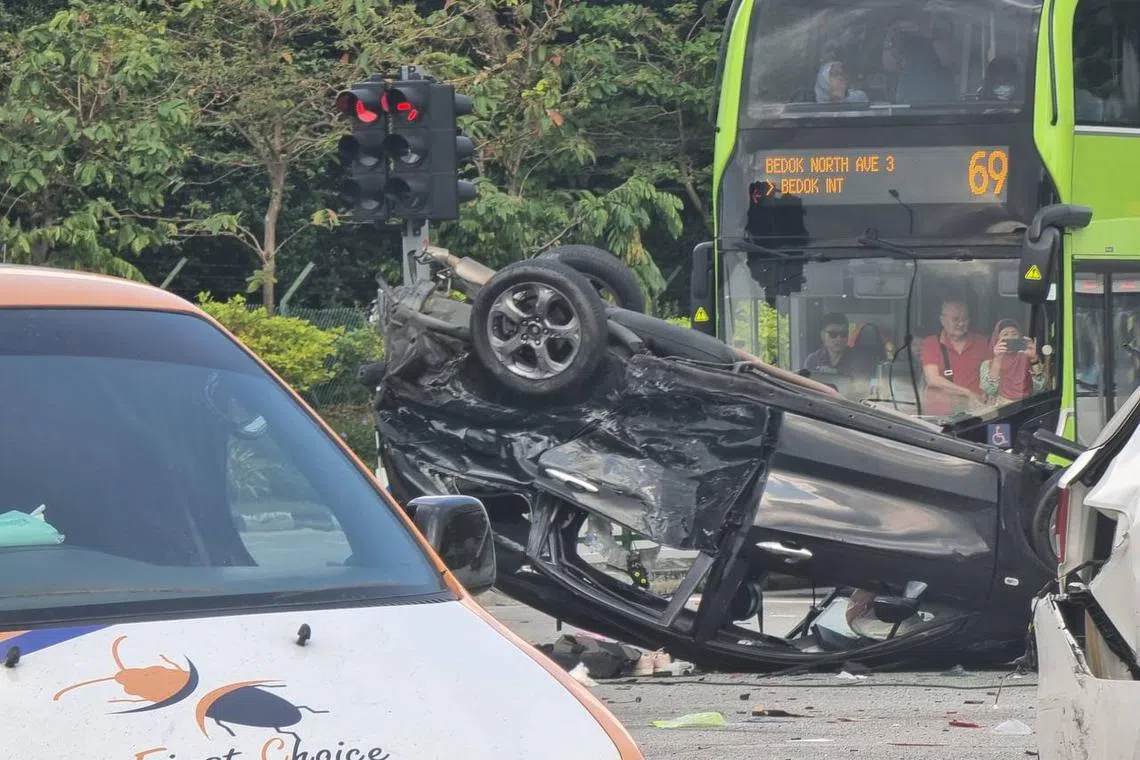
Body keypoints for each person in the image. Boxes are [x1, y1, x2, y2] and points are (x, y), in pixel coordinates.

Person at [919, 299, 990, 416]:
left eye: (965, 319)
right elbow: (933, 379)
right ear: (942, 320)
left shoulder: (982, 342)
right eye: (955, 319)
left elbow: (994, 373)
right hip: (940, 417)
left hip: (976, 413)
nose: (961, 324)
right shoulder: (930, 343)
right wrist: (968, 393)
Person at [980, 319, 1047, 404]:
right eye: (1005, 334)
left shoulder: (1028, 359)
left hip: (1027, 407)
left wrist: (1034, 360)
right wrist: (997, 359)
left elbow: (1041, 387)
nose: (1010, 337)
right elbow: (990, 389)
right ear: (997, 339)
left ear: (1020, 337)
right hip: (1003, 410)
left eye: (1014, 334)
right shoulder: (988, 364)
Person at [803, 313, 860, 378]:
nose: (839, 339)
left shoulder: (857, 360)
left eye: (843, 334)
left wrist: (836, 375)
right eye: (833, 334)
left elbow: (860, 385)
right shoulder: (812, 360)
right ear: (822, 335)